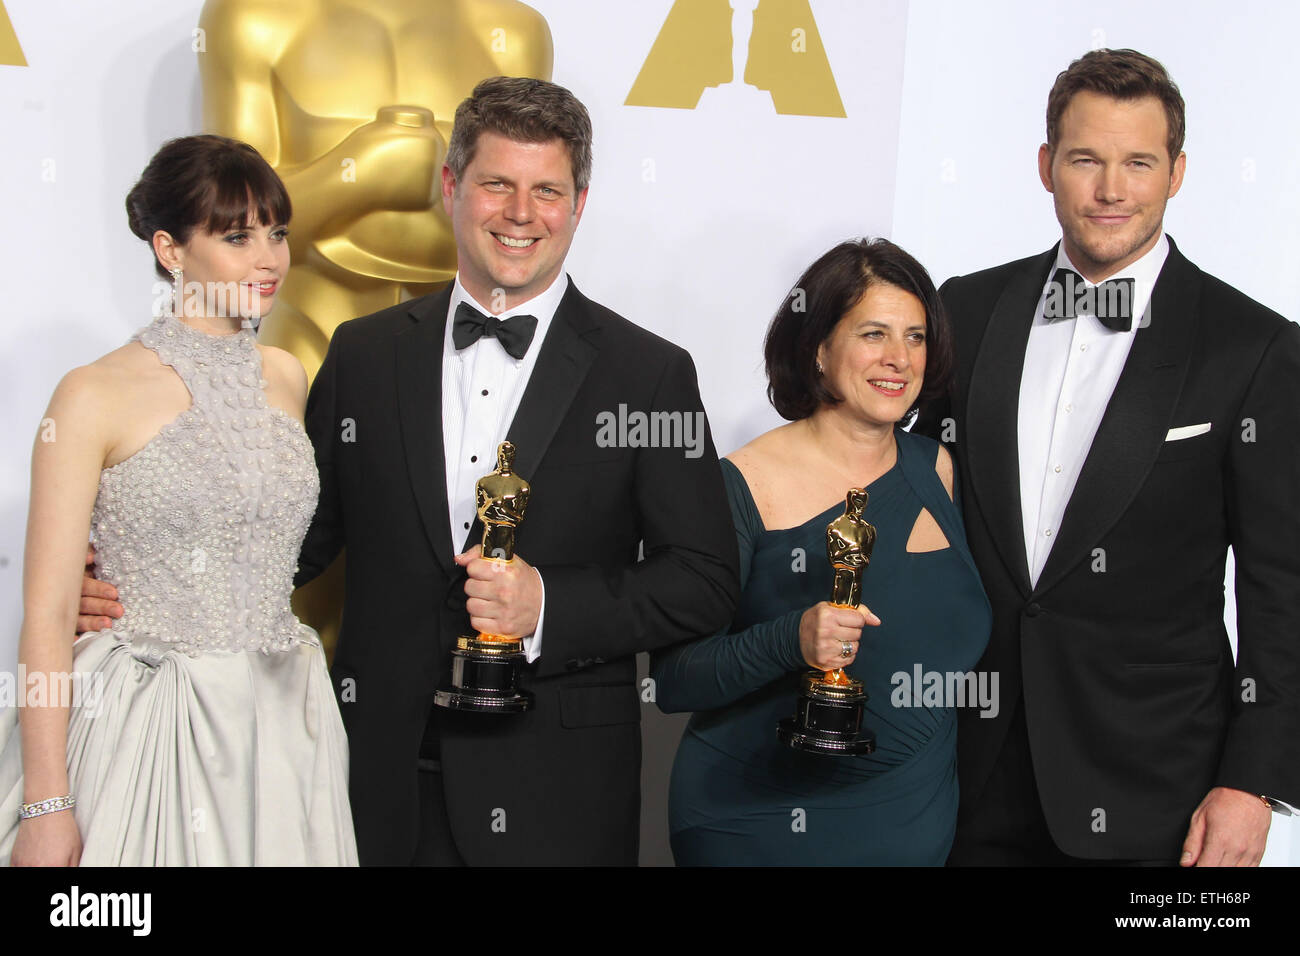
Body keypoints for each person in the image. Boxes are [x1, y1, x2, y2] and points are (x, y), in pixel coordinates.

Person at [82, 77, 739, 866]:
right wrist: (137, 581)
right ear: (452, 187)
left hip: (556, 793)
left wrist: (548, 605)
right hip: (373, 779)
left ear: (580, 201)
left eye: (547, 191)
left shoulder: (649, 375)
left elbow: (705, 580)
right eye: (497, 184)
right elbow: (293, 536)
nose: (521, 214)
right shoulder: (364, 354)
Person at [913, 48, 1300, 865]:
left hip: (1158, 786)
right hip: (963, 768)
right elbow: (912, 499)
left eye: (1139, 163)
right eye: (1086, 159)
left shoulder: (1254, 348)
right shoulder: (967, 310)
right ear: (1047, 165)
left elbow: (1282, 588)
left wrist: (1253, 782)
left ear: (1178, 172)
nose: (1111, 190)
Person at [1, 135, 357, 865]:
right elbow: (44, 620)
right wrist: (46, 803)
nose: (269, 258)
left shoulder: (288, 376)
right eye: (236, 236)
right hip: (149, 724)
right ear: (170, 248)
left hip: (285, 719)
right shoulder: (91, 392)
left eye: (277, 232)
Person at [652, 239, 991, 865]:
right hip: (758, 820)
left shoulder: (941, 469)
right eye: (873, 334)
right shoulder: (740, 481)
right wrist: (792, 640)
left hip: (914, 823)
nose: (898, 359)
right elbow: (673, 680)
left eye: (915, 338)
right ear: (818, 348)